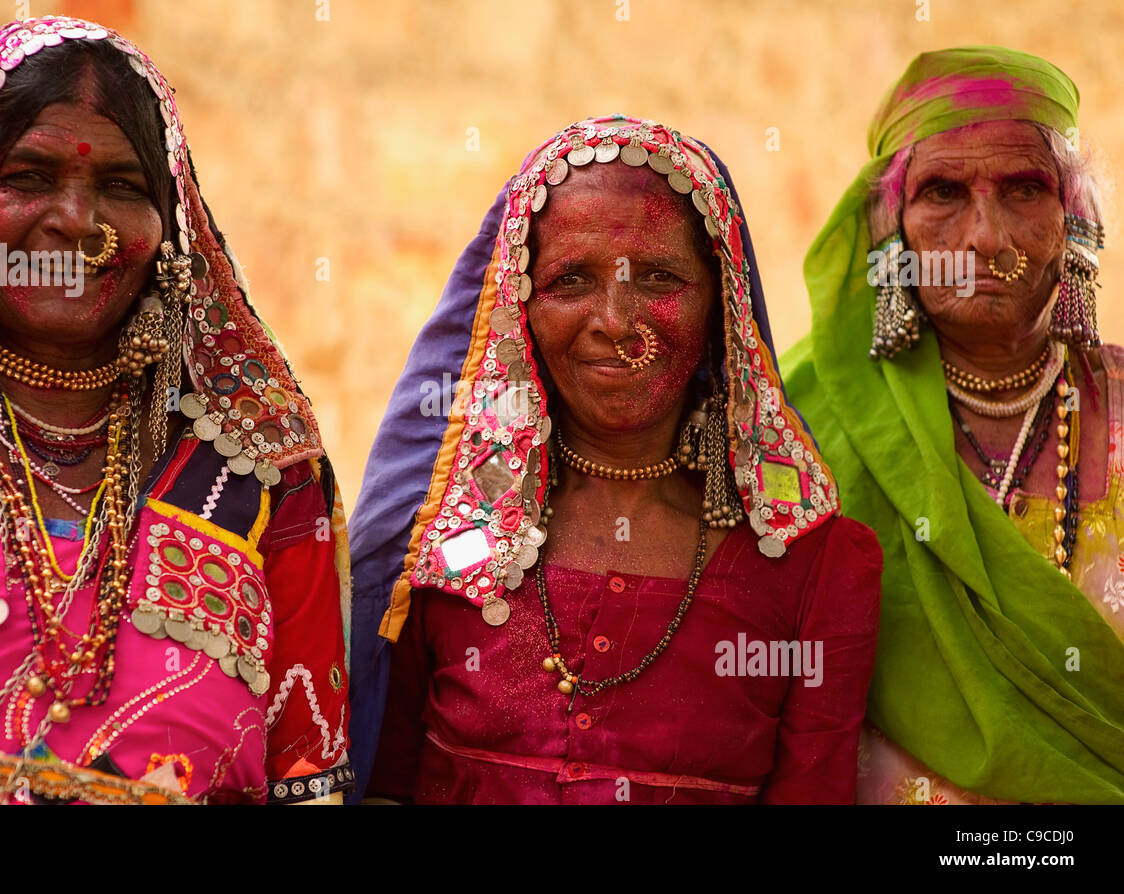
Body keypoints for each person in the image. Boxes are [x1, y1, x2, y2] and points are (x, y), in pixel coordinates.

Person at [0, 16, 353, 805]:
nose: (77, 221)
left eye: (121, 186)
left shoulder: (264, 470)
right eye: (29, 177)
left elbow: (309, 785)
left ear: (167, 230)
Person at [350, 116, 882, 804]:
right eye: (571, 281)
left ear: (722, 301)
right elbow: (384, 781)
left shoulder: (817, 566)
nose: (615, 320)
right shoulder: (442, 542)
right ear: (521, 306)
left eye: (658, 277)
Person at [782, 46, 1124, 804]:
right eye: (941, 192)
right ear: (887, 227)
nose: (985, 238)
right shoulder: (797, 422)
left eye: (1025, 189)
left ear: (1078, 219)